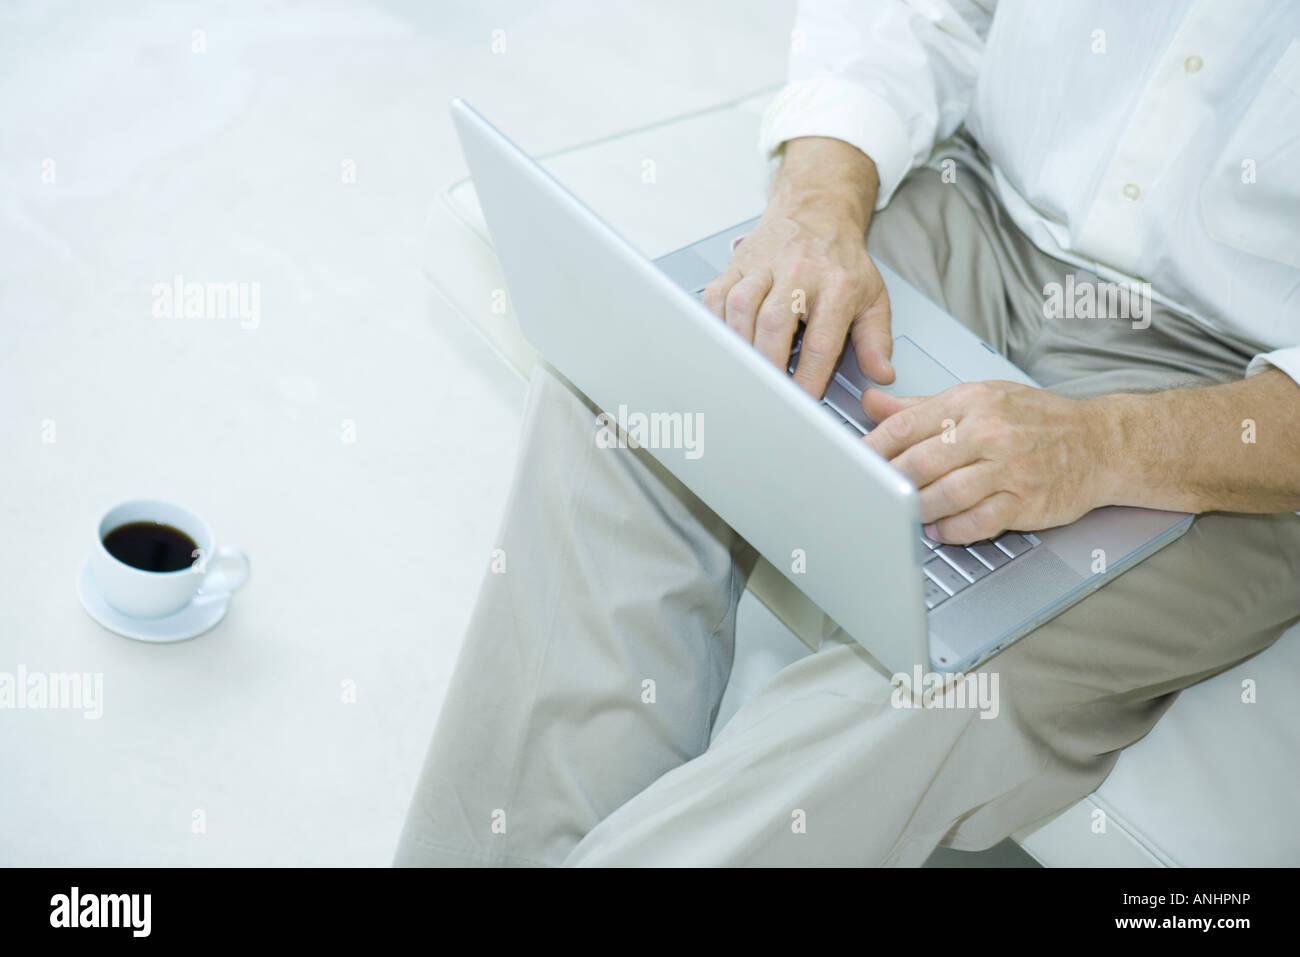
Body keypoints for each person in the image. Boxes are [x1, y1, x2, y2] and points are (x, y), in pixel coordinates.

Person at [395, 0, 1300, 865]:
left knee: (934, 682)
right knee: (629, 403)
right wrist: (818, 201)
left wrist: (1106, 448)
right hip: (979, 206)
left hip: (1236, 385)